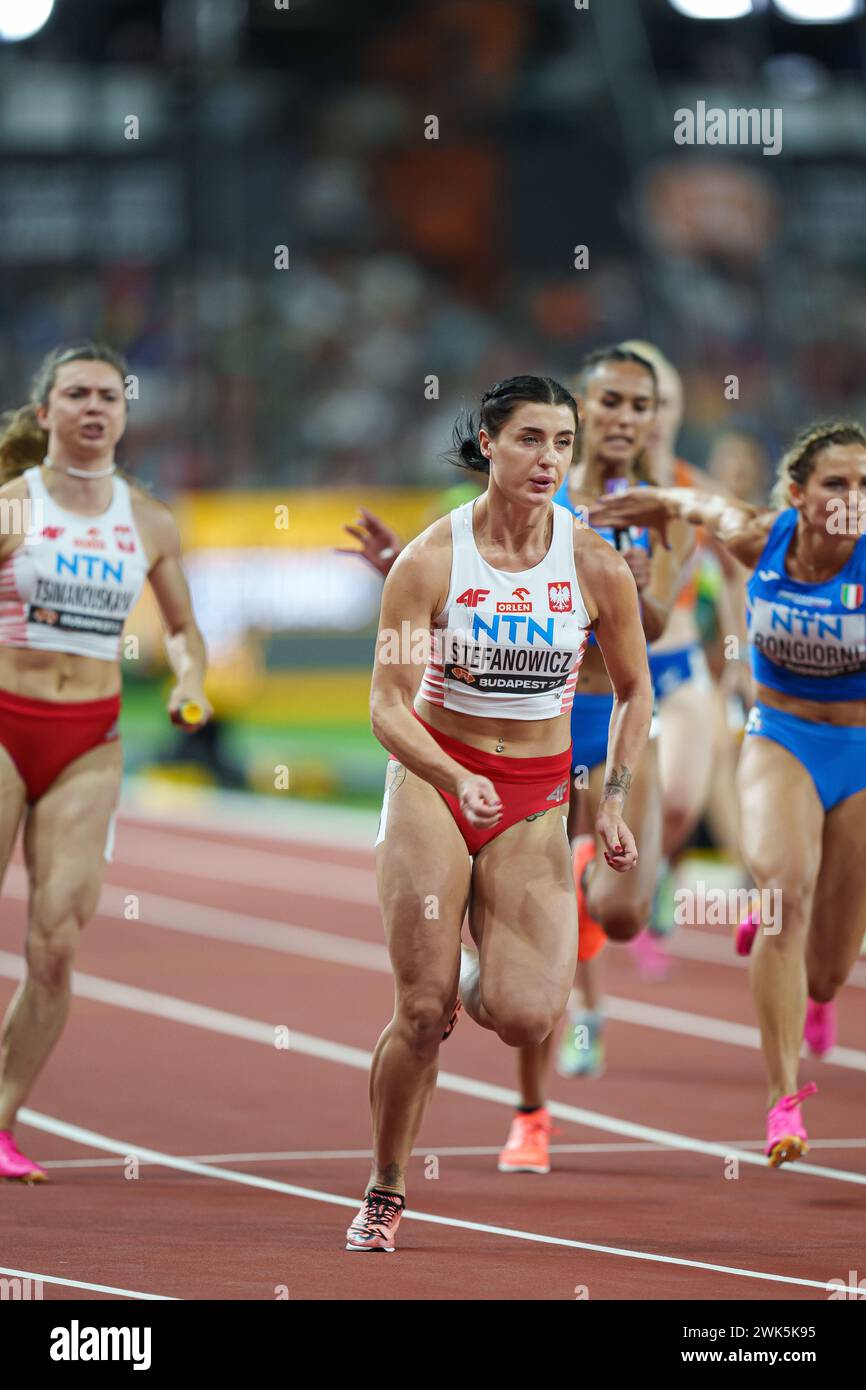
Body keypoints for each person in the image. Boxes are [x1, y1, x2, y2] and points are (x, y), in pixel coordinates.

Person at [344, 375, 652, 1250]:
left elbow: (636, 692)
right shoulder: (430, 561)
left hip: (537, 795)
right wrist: (449, 771)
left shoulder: (594, 565)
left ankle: (464, 977)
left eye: (562, 442)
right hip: (437, 780)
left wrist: (617, 800)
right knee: (418, 1011)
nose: (548, 459)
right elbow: (387, 707)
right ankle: (387, 1187)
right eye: (529, 439)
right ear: (488, 442)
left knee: (523, 1014)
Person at [589, 420, 866, 1165]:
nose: (854, 497)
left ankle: (817, 995)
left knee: (834, 962)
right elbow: (700, 508)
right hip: (782, 738)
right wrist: (651, 500)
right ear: (799, 495)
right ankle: (783, 1100)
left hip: (863, 753)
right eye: (838, 483)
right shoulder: (760, 536)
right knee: (785, 892)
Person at [0, 342, 211, 1182]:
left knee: (55, 942)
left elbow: (185, 628)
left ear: (125, 414)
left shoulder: (148, 520)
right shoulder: (13, 508)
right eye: (77, 394)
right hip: (4, 722)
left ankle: (3, 1119)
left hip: (89, 737)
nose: (95, 408)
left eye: (109, 397)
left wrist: (190, 677)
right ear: (45, 411)